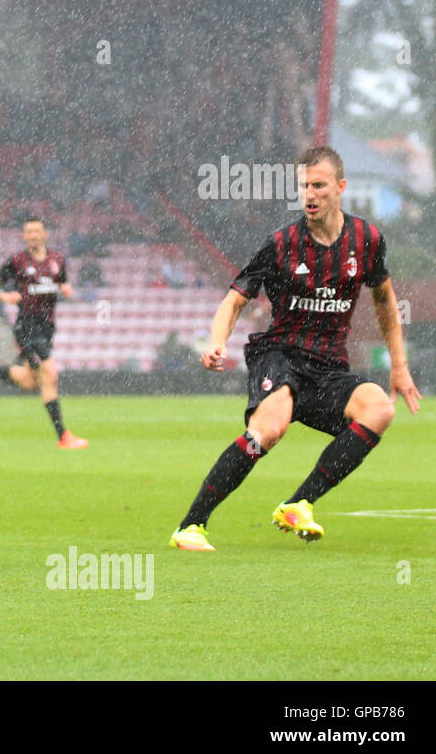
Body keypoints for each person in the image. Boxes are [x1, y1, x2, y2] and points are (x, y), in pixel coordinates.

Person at [169, 147, 421, 551]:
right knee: (268, 430)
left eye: (319, 185)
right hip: (281, 356)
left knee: (379, 408)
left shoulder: (367, 240)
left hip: (329, 369)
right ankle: (191, 526)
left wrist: (399, 366)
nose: (310, 194)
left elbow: (385, 300)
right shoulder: (282, 243)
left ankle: (298, 503)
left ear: (341, 187)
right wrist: (217, 341)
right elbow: (235, 298)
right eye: (304, 186)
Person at [0, 218, 88, 449]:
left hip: (47, 327)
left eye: (37, 231)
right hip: (26, 327)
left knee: (31, 382)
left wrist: (66, 289)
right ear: (24, 236)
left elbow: (62, 283)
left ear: (45, 234)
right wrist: (5, 296)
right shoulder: (17, 261)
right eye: (28, 231)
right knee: (50, 375)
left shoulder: (57, 260)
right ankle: (63, 436)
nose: (33, 235)